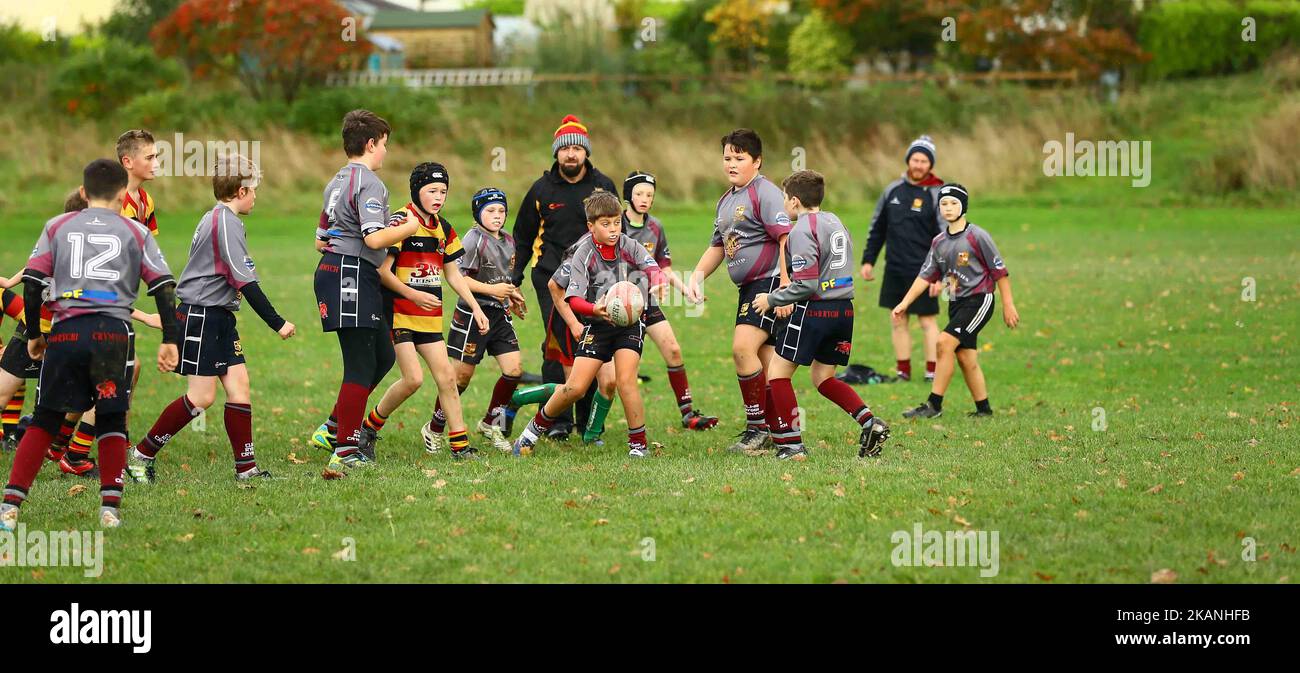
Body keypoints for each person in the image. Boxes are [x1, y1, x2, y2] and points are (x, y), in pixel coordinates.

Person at [0, 159, 179, 531]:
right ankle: (110, 508)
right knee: (112, 419)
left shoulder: (57, 225)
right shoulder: (135, 231)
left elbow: (32, 282)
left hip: (65, 332)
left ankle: (10, 505)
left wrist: (34, 333)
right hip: (112, 334)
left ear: (83, 192)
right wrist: (169, 338)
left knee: (45, 419)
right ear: (120, 194)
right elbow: (163, 286)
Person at [127, 154, 295, 483]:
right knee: (202, 397)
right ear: (241, 191)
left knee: (239, 387)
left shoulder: (219, 217)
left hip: (219, 318)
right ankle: (141, 454)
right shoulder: (224, 223)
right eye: (255, 189)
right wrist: (278, 322)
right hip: (201, 316)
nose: (257, 196)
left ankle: (246, 469)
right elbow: (245, 282)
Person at [512, 190, 667, 458]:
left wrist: (659, 280)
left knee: (625, 380)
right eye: (606, 224)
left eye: (617, 222)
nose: (613, 229)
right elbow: (572, 298)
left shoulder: (628, 245)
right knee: (575, 388)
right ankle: (531, 431)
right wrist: (594, 309)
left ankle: (638, 446)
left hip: (629, 325)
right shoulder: (583, 253)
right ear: (591, 226)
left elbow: (650, 265)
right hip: (597, 325)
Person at [752, 170, 890, 460]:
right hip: (843, 310)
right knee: (823, 377)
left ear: (794, 201)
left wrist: (772, 299)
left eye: (784, 199)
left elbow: (807, 284)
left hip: (815, 310)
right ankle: (869, 423)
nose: (783, 205)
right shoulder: (835, 220)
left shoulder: (802, 230)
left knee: (777, 372)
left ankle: (791, 446)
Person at [359, 162, 490, 461]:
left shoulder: (444, 228)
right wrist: (413, 294)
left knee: (447, 378)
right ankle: (369, 428)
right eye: (432, 190)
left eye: (443, 191)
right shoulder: (402, 221)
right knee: (413, 379)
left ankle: (460, 447)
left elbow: (454, 274)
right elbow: (383, 271)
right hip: (400, 313)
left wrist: (475, 307)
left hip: (428, 319)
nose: (438, 197)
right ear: (417, 191)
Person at [310, 110, 418, 472]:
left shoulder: (336, 180)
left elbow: (320, 239)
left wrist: (384, 226)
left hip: (336, 270)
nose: (386, 152)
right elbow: (372, 238)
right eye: (385, 144)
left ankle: (335, 428)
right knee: (359, 364)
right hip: (351, 276)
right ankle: (344, 449)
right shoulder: (370, 183)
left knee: (383, 357)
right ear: (371, 144)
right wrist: (407, 228)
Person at [685, 129, 793, 453]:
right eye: (727, 158)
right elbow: (718, 245)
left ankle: (757, 430)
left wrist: (787, 285)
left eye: (739, 158)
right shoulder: (726, 200)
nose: (732, 164)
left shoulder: (766, 193)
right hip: (748, 288)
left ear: (757, 161)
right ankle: (782, 429)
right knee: (768, 360)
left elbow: (786, 238)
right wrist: (696, 277)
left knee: (742, 349)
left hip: (769, 283)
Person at [511, 115, 617, 440]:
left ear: (585, 152)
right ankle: (557, 422)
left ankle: (586, 422)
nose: (571, 155)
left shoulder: (603, 187)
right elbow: (522, 238)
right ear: (556, 153)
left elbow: (615, 231)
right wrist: (513, 280)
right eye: (565, 149)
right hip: (550, 280)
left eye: (577, 148)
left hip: (596, 281)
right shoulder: (541, 190)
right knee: (557, 348)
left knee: (592, 346)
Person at [894, 184, 1020, 419]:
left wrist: (1008, 305)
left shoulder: (977, 236)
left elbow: (1000, 272)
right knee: (965, 357)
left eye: (954, 203)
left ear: (963, 206)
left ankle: (934, 406)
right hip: (956, 303)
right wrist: (905, 303)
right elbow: (925, 275)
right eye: (944, 203)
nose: (948, 208)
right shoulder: (939, 241)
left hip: (979, 300)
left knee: (943, 343)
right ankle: (984, 410)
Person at [436, 187, 527, 453]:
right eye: (490, 211)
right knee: (460, 378)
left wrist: (513, 296)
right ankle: (435, 427)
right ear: (478, 214)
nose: (497, 216)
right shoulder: (473, 239)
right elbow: (459, 277)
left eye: (501, 211)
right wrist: (493, 292)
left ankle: (490, 423)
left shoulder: (509, 241)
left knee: (514, 371)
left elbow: (504, 278)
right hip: (471, 314)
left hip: (499, 314)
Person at [860, 134, 946, 382]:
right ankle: (903, 372)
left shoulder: (937, 193)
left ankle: (932, 372)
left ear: (931, 165)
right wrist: (868, 260)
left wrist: (939, 274)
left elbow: (944, 238)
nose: (918, 165)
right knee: (897, 318)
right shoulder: (893, 190)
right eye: (915, 159)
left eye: (924, 161)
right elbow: (877, 227)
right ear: (908, 160)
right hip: (895, 268)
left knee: (927, 321)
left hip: (925, 271)